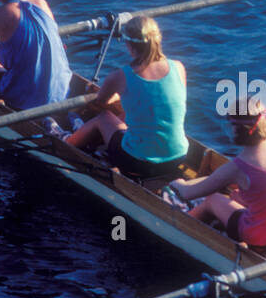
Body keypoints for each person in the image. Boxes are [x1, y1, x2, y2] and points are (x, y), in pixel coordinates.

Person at [167, 100, 266, 248]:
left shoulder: (239, 167)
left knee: (213, 200)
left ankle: (178, 228)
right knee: (238, 196)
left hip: (265, 239)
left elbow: (187, 193)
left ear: (238, 129)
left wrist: (178, 183)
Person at [64, 15, 188, 178]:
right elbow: (159, 97)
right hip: (178, 156)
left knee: (104, 117)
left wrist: (116, 96)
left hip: (137, 162)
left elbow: (101, 102)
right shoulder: (178, 67)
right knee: (132, 113)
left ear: (129, 45)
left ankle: (65, 142)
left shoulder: (119, 77)